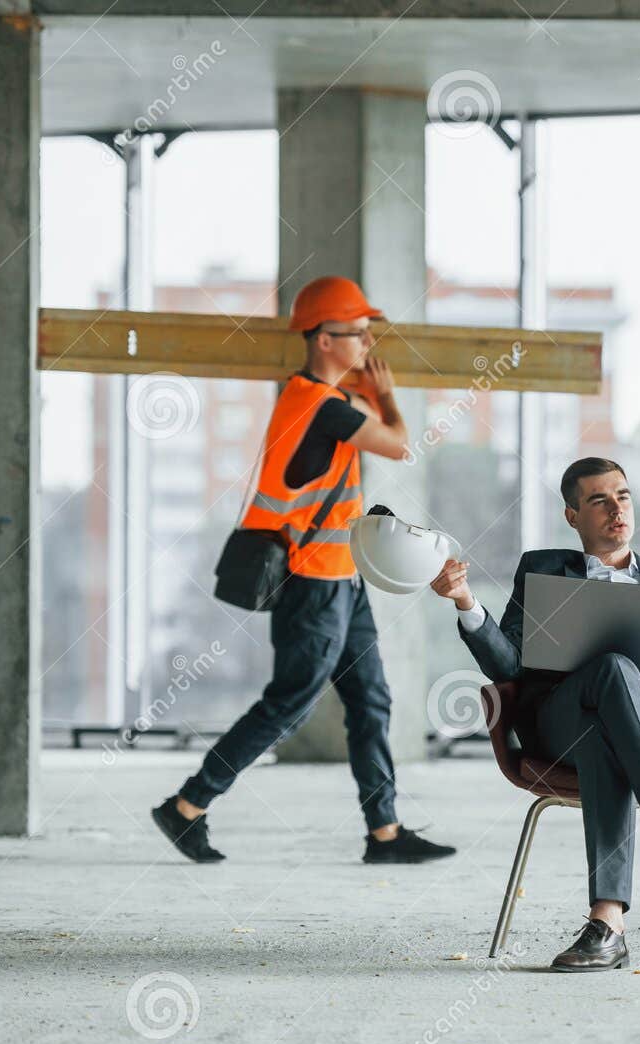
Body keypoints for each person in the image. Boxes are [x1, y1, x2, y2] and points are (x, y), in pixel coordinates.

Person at [152, 276, 456, 867]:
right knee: (288, 704)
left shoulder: (325, 401)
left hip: (342, 578)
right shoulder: (320, 405)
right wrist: (387, 396)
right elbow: (398, 443)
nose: (369, 344)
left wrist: (362, 385)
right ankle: (187, 806)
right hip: (313, 582)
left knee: (371, 701)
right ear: (322, 339)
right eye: (359, 334)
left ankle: (385, 833)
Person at [429, 457, 640, 971]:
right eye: (598, 500)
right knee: (610, 670)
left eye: (622, 495)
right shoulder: (542, 569)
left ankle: (607, 926)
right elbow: (508, 662)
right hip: (562, 723)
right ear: (572, 515)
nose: (615, 509)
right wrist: (466, 602)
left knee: (612, 732)